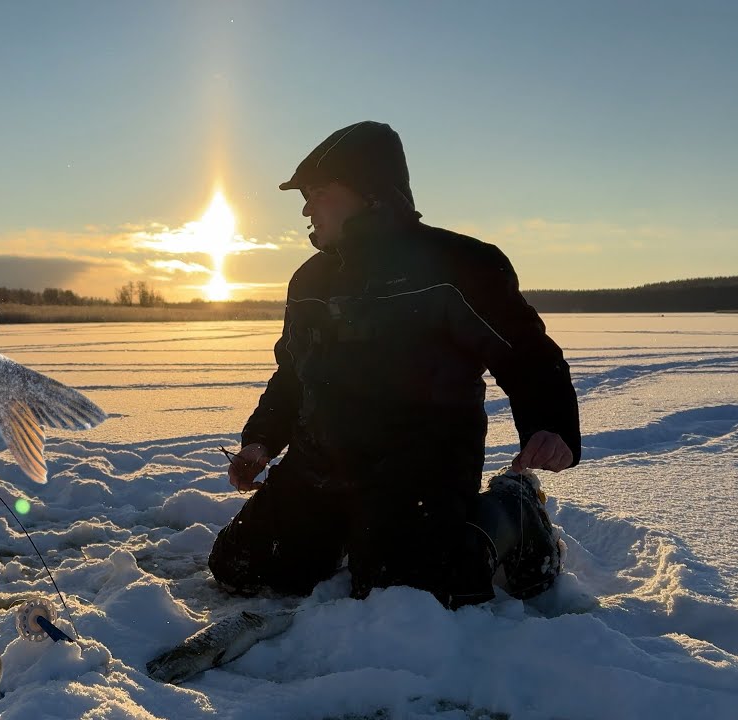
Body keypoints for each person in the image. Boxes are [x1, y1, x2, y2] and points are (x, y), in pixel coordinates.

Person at [208, 121, 581, 609]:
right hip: (325, 461)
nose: (306, 208)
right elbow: (294, 373)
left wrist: (549, 425)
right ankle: (355, 533)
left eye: (319, 193)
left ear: (371, 195)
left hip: (422, 464)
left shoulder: (458, 265)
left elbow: (528, 354)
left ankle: (515, 510)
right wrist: (260, 439)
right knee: (241, 567)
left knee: (411, 592)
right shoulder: (310, 279)